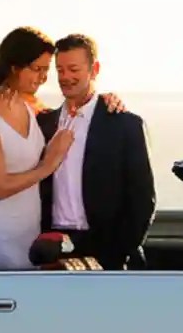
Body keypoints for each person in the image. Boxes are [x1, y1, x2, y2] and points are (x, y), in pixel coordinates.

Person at [0, 26, 128, 270]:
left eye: (46, 70)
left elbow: (77, 109)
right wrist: (48, 166)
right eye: (38, 69)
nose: (44, 78)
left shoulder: (34, 108)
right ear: (15, 67)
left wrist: (106, 100)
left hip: (32, 237)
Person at [37, 33, 156, 270]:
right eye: (60, 70)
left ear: (95, 69)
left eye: (73, 69)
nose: (66, 77)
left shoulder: (125, 125)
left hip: (107, 254)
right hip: (51, 250)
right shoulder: (44, 124)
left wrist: (120, 252)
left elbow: (143, 199)